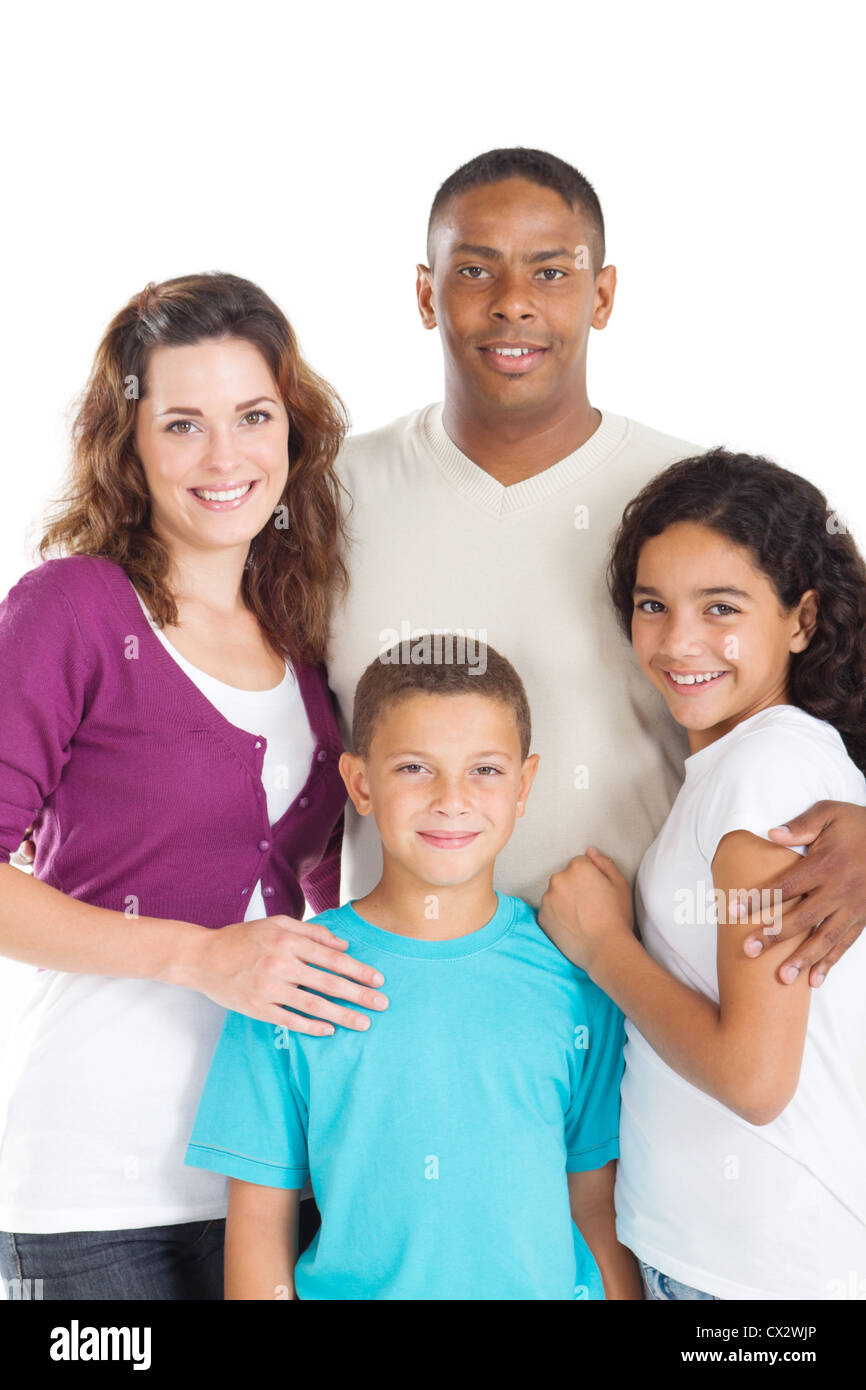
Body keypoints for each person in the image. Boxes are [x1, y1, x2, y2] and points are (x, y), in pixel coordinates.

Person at [327, 146, 866, 985]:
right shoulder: (326, 497)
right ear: (426, 294)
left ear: (602, 296)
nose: (513, 304)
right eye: (475, 270)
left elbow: (838, 669)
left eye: (551, 273)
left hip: (644, 1006)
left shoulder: (692, 504)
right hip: (397, 995)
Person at [0, 273, 390, 1300]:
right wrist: (196, 954)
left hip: (274, 1182)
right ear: (127, 444)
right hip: (98, 1193)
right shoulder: (71, 608)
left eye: (253, 416)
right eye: (182, 424)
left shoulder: (302, 640)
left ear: (291, 435)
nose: (226, 459)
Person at [184, 643, 640, 1300]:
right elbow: (259, 1220)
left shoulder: (575, 976)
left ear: (525, 785)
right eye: (415, 769)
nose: (452, 800)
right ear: (362, 784)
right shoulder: (290, 974)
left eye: (484, 769)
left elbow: (594, 1204)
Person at [538, 449, 866, 1299]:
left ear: (801, 620)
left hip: (755, 1273)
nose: (679, 642)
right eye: (654, 606)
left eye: (721, 608)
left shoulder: (767, 776)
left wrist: (603, 948)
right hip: (723, 1255)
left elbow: (755, 1078)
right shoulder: (748, 769)